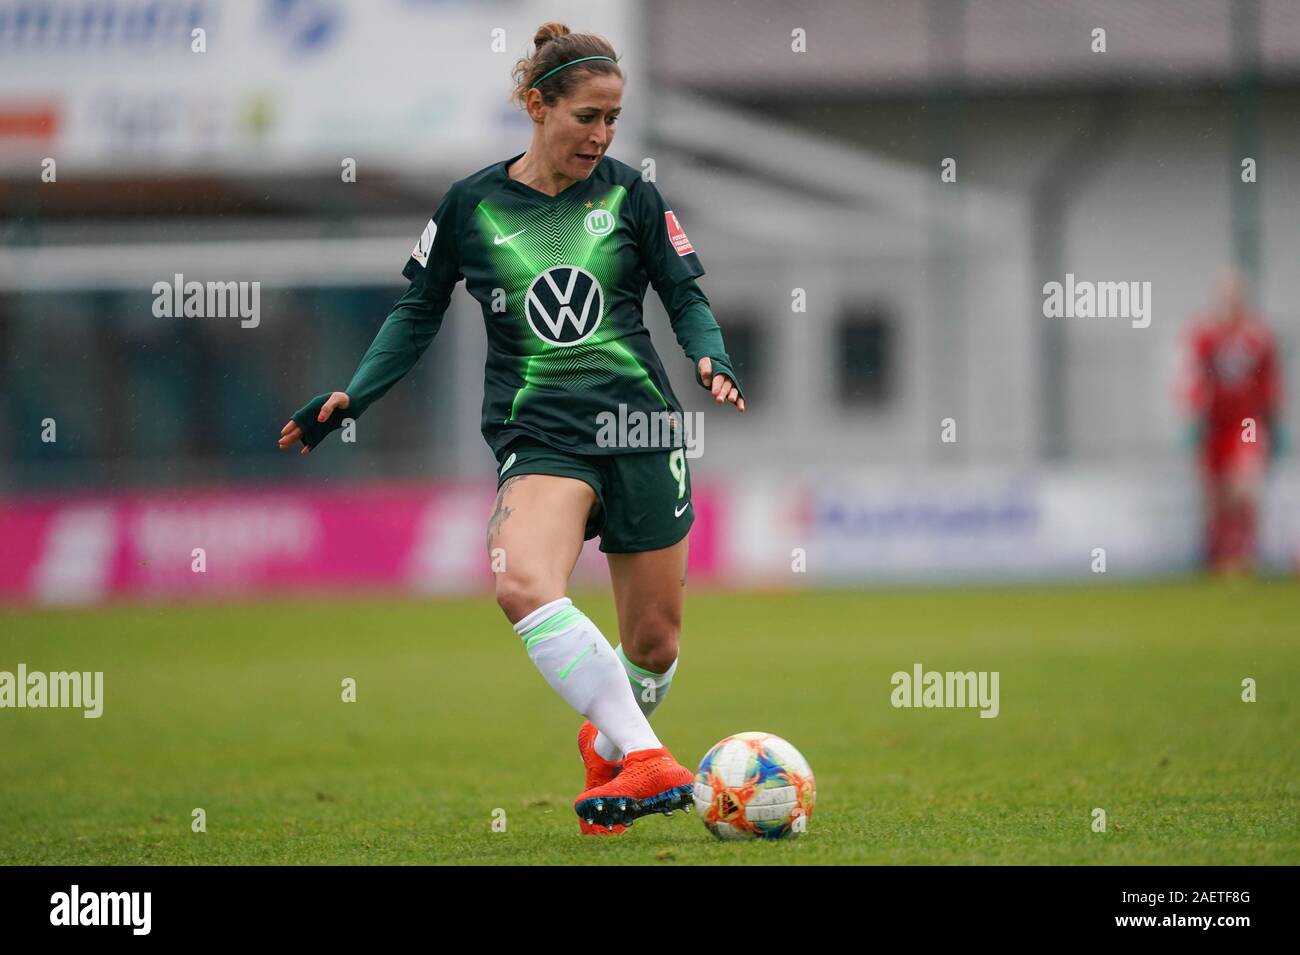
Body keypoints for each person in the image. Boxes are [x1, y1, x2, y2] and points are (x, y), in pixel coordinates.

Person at [277, 22, 745, 834]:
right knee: (522, 583)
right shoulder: (472, 205)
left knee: (656, 645)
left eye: (613, 119)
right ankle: (648, 759)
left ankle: (612, 741)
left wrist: (710, 355)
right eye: (586, 116)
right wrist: (354, 394)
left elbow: (686, 295)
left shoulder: (632, 195)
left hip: (640, 431)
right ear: (537, 104)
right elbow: (417, 311)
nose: (601, 135)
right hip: (542, 435)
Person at [1181, 269, 1282, 575]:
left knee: (1243, 485)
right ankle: (1219, 557)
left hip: (1246, 423)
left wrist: (1274, 418)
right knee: (1215, 494)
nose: (1229, 299)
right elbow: (1193, 377)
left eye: (1233, 293)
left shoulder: (1257, 335)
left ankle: (1246, 554)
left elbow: (1269, 380)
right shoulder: (1205, 335)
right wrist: (1192, 414)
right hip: (1214, 425)